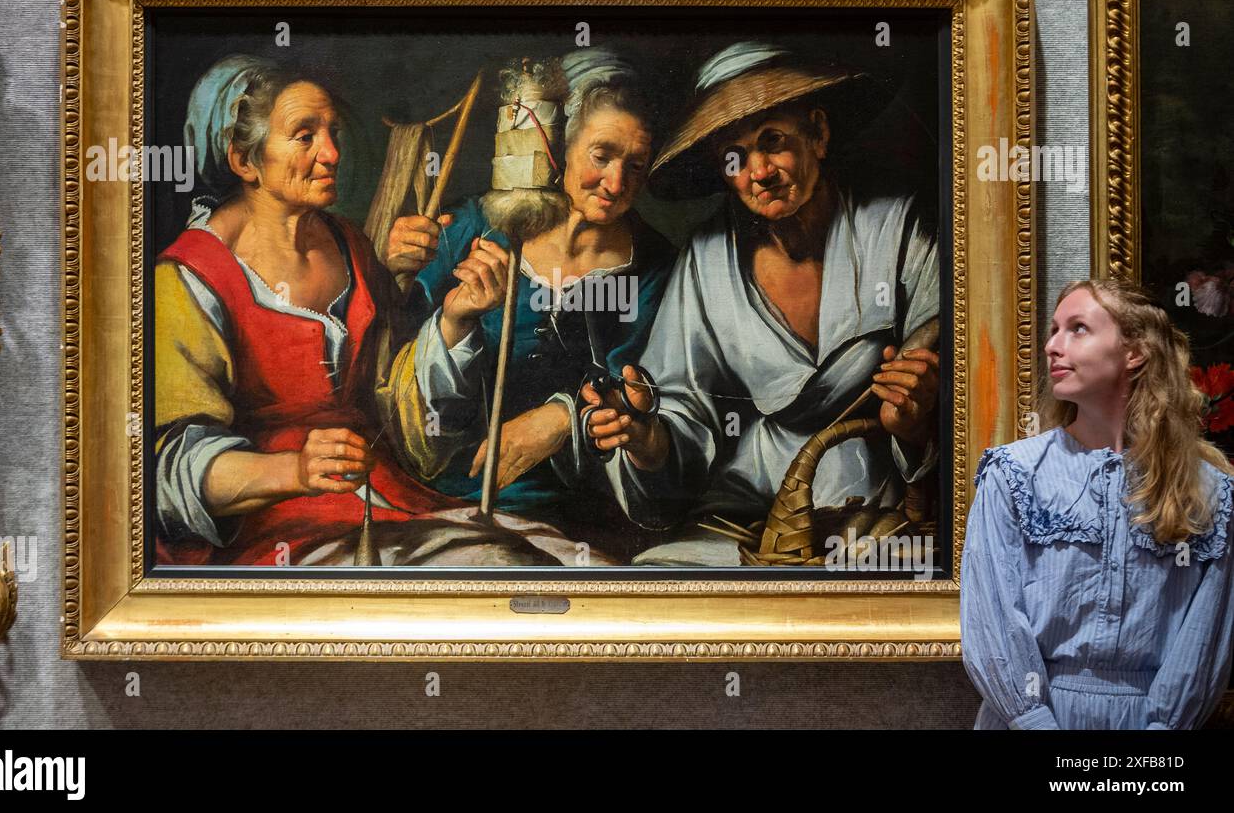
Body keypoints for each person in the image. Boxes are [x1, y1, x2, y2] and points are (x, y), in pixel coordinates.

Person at [581, 41, 941, 566]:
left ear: (817, 133)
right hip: (749, 512)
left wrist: (913, 424)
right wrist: (645, 436)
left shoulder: (897, 226)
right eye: (736, 157)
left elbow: (955, 378)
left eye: (773, 142)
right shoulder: (707, 258)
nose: (759, 172)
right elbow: (682, 408)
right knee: (660, 580)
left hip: (876, 508)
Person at [155, 55, 453, 566]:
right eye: (304, 136)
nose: (332, 153)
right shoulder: (189, 277)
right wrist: (294, 471)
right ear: (244, 160)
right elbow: (165, 474)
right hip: (273, 533)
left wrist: (451, 315)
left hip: (387, 501)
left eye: (333, 132)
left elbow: (393, 398)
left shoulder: (351, 245)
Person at [384, 49, 676, 558]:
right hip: (438, 500)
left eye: (635, 165)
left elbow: (658, 394)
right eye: (601, 156)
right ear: (560, 147)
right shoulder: (474, 227)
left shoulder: (656, 267)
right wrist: (453, 318)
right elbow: (395, 384)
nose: (615, 183)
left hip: (576, 517)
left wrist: (564, 417)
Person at [961, 278, 1234, 729]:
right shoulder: (1014, 474)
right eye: (1053, 330)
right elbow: (992, 618)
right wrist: (1033, 722)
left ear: (1135, 352)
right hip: (1028, 717)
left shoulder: (1208, 492)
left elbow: (1203, 641)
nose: (1052, 345)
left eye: (1078, 328)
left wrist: (1161, 728)